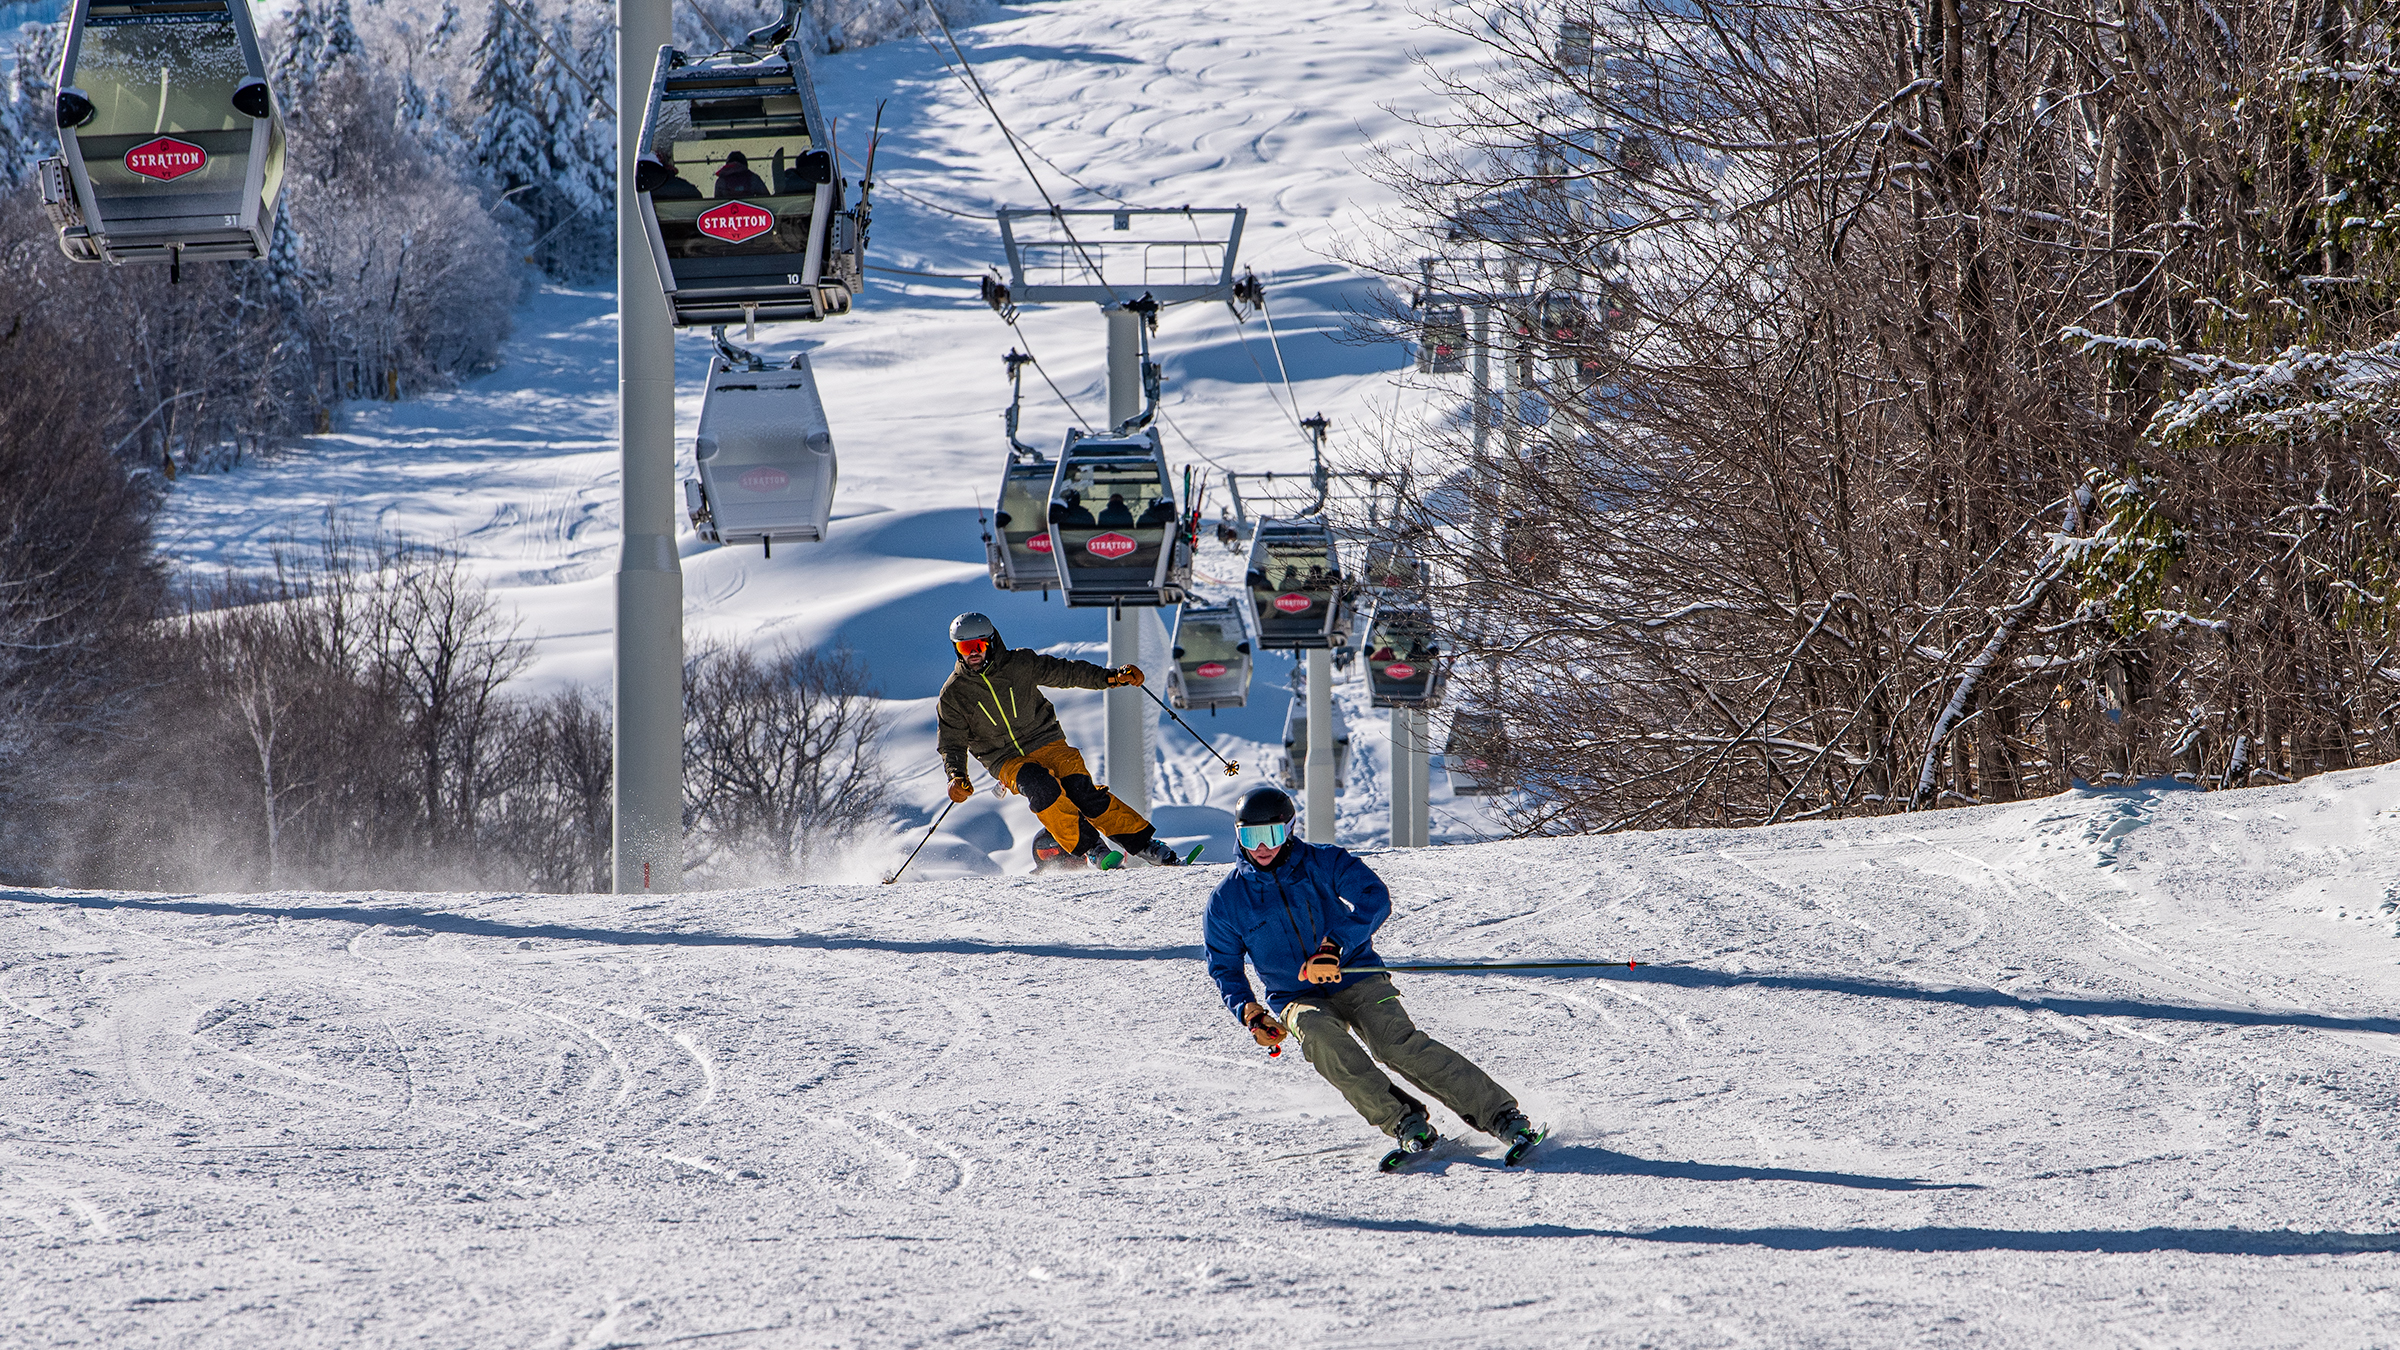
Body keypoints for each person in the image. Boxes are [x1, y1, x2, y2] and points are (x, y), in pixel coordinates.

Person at [1203, 786, 1540, 1163]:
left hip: (1355, 974)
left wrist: (1334, 946)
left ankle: (1501, 1115)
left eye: (1271, 834)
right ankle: (1403, 1121)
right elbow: (1224, 965)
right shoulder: (1227, 901)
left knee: (1395, 1044)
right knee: (1320, 1037)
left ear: (1290, 830)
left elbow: (1374, 897)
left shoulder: (1323, 861)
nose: (1262, 847)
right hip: (1295, 996)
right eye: (1251, 837)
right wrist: (1250, 1012)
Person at [937, 612, 1188, 868]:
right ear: (957, 649)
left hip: (1046, 741)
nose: (973, 653)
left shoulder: (1021, 664)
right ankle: (1093, 848)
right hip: (1005, 759)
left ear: (991, 642)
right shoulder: (954, 694)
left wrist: (1111, 677)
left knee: (1082, 792)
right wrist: (956, 775)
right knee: (1041, 787)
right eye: (965, 647)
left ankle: (1145, 845)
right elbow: (951, 742)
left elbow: (1067, 672)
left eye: (978, 645)